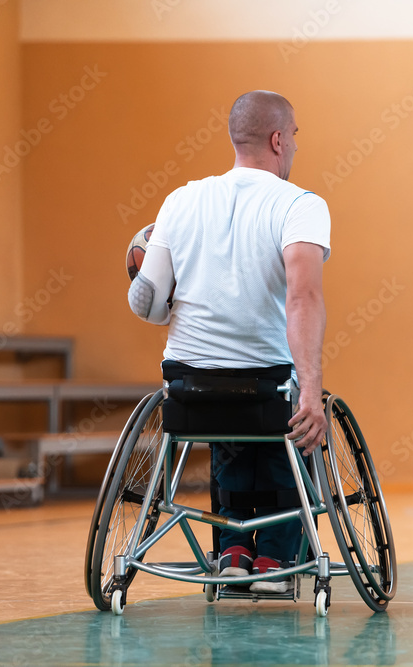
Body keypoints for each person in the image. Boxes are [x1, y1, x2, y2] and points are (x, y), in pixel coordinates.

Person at [127, 90, 330, 593]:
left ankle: (233, 551)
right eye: (295, 136)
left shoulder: (180, 201)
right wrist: (311, 389)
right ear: (278, 140)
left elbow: (148, 303)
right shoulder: (301, 205)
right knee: (289, 423)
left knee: (228, 428)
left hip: (188, 387)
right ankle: (275, 560)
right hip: (266, 384)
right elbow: (303, 299)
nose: (296, 146)